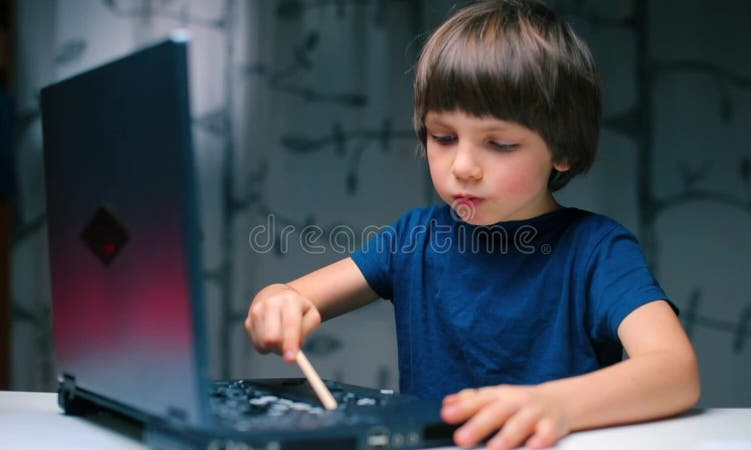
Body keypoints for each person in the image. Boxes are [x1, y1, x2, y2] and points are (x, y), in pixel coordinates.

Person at [244, 1, 701, 448]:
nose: (462, 165)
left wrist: (556, 404)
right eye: (443, 137)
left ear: (563, 151)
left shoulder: (598, 250)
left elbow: (675, 371)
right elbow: (295, 298)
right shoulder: (414, 239)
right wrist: (276, 302)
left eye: (499, 143)